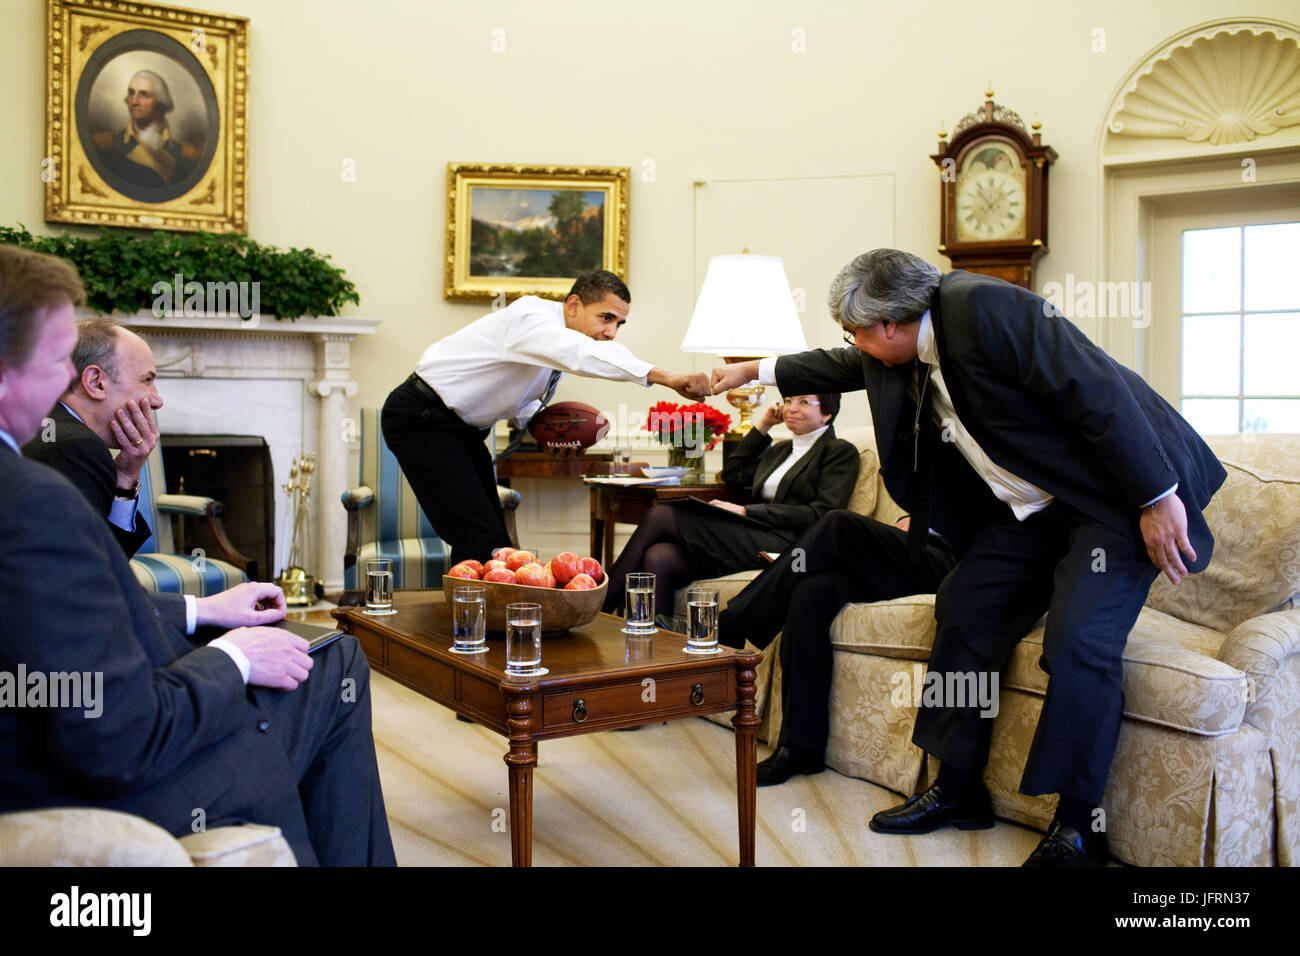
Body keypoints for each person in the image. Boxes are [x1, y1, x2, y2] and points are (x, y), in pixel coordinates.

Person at [711, 249, 1226, 867]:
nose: (855, 346)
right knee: (965, 605)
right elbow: (843, 364)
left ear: (891, 326)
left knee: (1079, 640)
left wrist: (1155, 495)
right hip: (1032, 513)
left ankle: (1079, 828)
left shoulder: (983, 307)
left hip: (1111, 501)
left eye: (856, 333)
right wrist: (754, 370)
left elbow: (1094, 387)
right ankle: (958, 789)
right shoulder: (907, 345)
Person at [0, 245, 395, 866]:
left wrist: (199, 610)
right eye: (54, 361)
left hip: (61, 737)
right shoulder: (40, 482)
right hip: (93, 784)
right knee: (333, 661)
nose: (61, 383)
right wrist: (231, 657)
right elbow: (117, 735)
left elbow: (76, 596)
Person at [383, 269, 710, 565]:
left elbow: (523, 402)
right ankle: (475, 626)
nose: (611, 332)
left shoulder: (548, 347)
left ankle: (476, 619)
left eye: (618, 323)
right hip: (419, 417)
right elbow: (582, 354)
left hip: (457, 430)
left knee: (492, 537)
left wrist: (550, 435)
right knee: (480, 538)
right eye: (606, 318)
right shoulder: (532, 318)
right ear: (573, 305)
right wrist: (666, 377)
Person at [601, 392, 859, 621]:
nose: (791, 408)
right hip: (755, 533)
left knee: (661, 515)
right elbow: (733, 473)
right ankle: (656, 650)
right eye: (789, 400)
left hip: (788, 544)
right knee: (660, 555)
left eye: (803, 402)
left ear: (827, 412)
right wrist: (763, 425)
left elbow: (820, 514)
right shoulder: (781, 450)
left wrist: (747, 511)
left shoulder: (838, 451)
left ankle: (600, 610)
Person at [22, 318, 162, 557]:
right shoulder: (78, 447)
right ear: (95, 382)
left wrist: (126, 478)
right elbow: (98, 575)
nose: (157, 400)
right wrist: (194, 597)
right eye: (147, 380)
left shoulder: (37, 424)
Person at [91, 70, 200, 190]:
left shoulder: (188, 154)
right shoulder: (105, 144)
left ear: (160, 103)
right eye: (131, 93)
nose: (134, 101)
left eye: (143, 95)